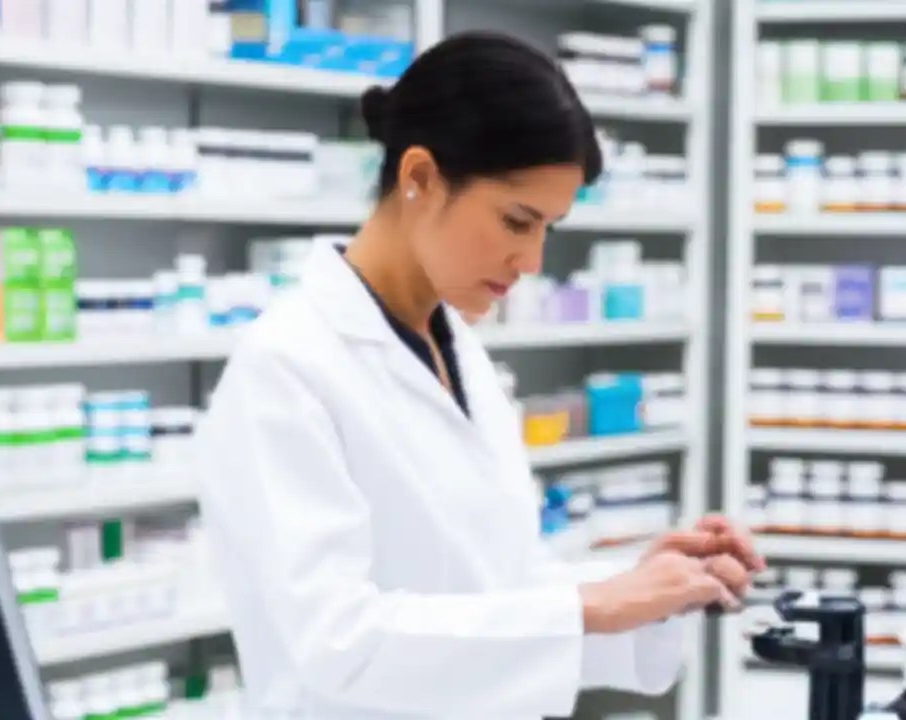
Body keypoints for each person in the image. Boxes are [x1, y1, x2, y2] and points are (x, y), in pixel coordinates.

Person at [195, 31, 765, 720]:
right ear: (420, 177)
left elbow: (495, 590)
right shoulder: (286, 368)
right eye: (516, 220)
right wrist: (592, 605)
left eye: (549, 229)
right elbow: (336, 644)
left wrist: (648, 588)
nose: (531, 261)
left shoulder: (458, 350)